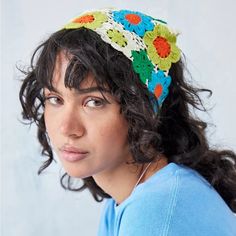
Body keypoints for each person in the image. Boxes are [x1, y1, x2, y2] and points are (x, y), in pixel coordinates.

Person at [19, 8, 236, 236]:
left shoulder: (156, 216)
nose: (66, 128)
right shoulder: (130, 198)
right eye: (55, 99)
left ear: (142, 109)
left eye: (94, 102)